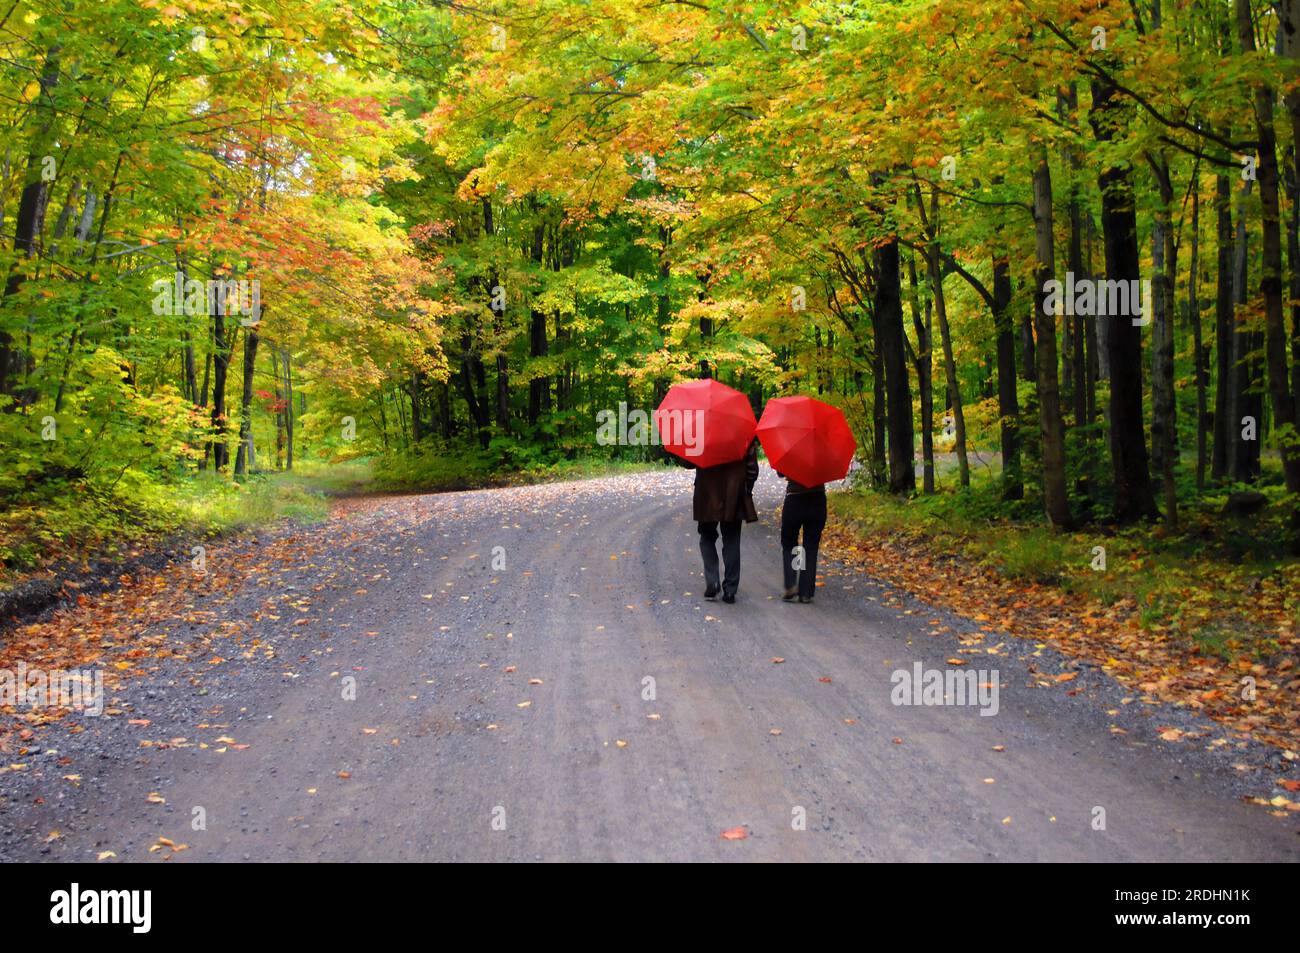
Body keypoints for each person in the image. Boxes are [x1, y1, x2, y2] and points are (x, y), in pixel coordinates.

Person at [688, 439, 759, 603]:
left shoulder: (701, 431)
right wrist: (745, 487)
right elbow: (752, 470)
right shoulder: (743, 433)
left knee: (706, 536)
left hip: (707, 495)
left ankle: (712, 581)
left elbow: (687, 461)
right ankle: (730, 590)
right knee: (732, 540)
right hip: (733, 495)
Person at [775, 470, 826, 603]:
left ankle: (791, 584)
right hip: (818, 499)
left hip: (794, 498)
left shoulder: (790, 449)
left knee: (790, 542)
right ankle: (806, 592)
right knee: (810, 546)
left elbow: (780, 473)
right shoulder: (823, 451)